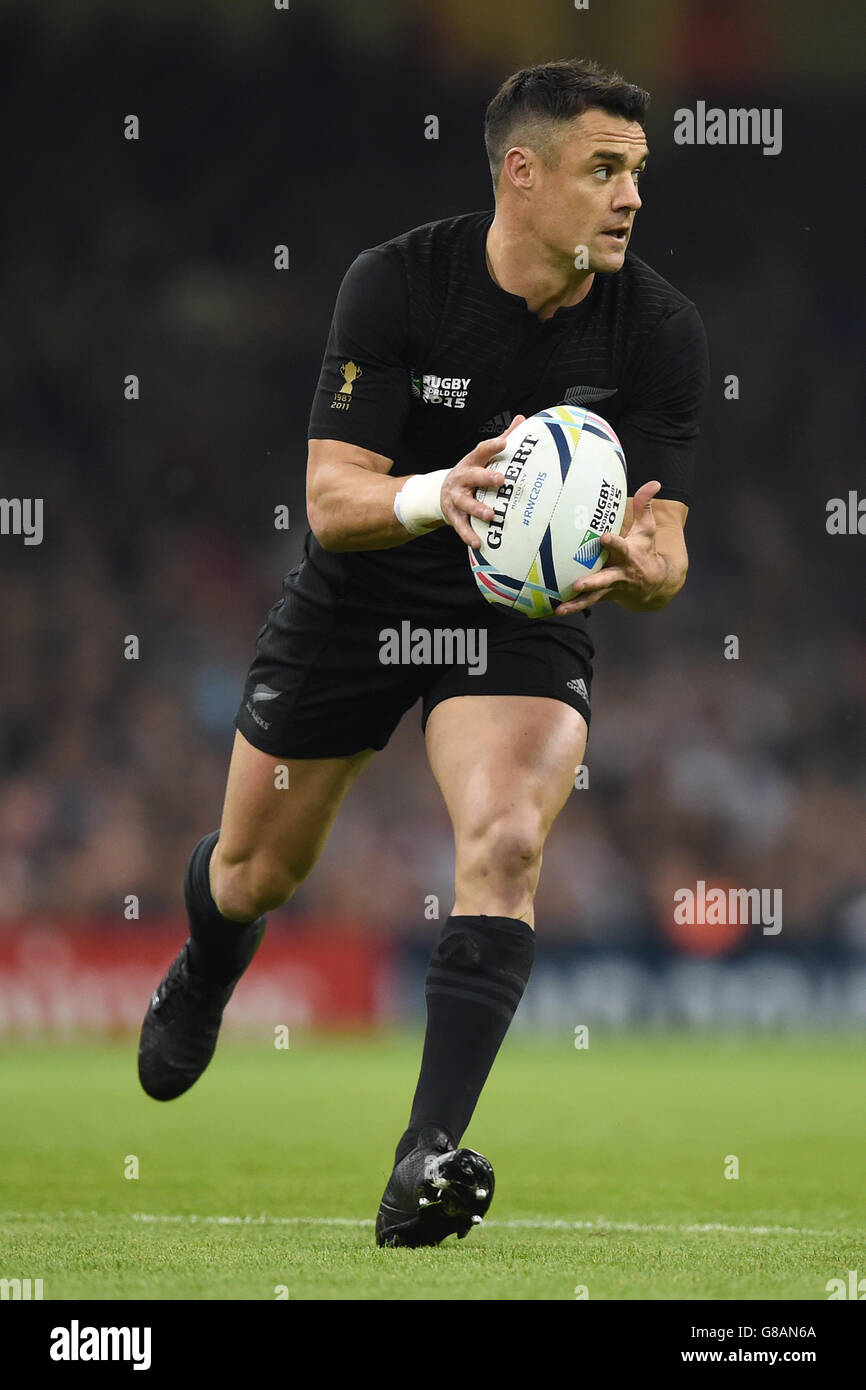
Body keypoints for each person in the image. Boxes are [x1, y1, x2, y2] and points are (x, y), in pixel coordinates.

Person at [138, 57, 709, 1248]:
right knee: (254, 873)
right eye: (603, 170)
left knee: (505, 840)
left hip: (518, 615)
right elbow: (328, 495)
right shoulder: (398, 283)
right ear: (522, 172)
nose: (628, 197)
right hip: (362, 593)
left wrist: (652, 570)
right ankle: (205, 965)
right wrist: (436, 491)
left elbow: (663, 545)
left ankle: (424, 1157)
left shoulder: (656, 327)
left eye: (637, 172)